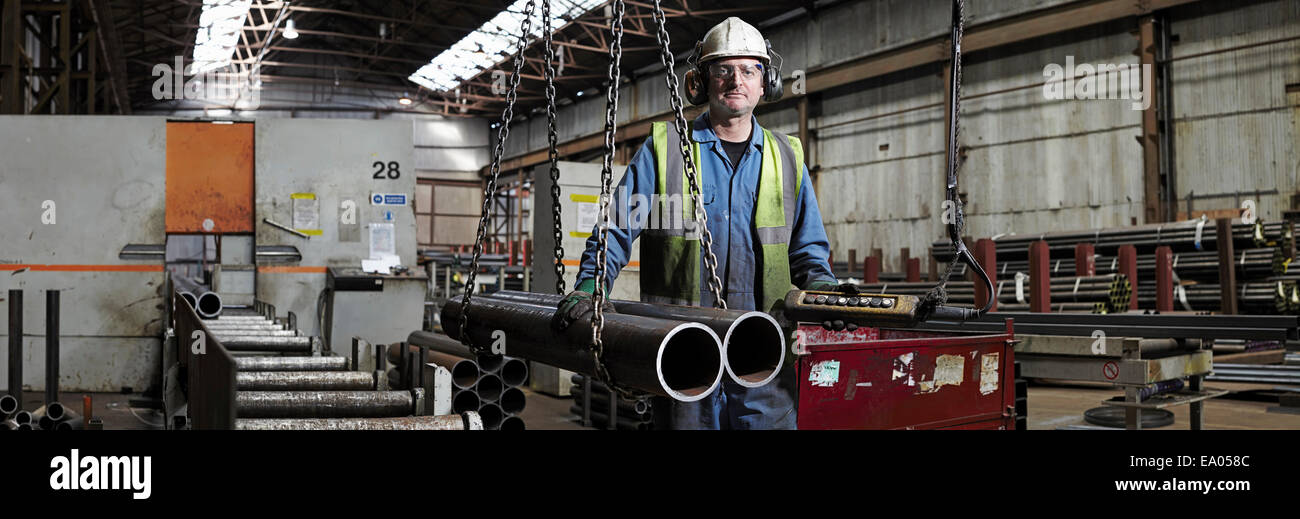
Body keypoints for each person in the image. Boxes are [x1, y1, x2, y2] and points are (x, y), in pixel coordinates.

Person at [553, 17, 854, 430]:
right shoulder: (665, 150)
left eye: (750, 70)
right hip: (684, 350)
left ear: (767, 83)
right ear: (701, 81)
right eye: (723, 69)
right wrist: (591, 284)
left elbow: (808, 250)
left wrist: (822, 292)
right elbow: (616, 228)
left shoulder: (788, 156)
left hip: (764, 352)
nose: (736, 80)